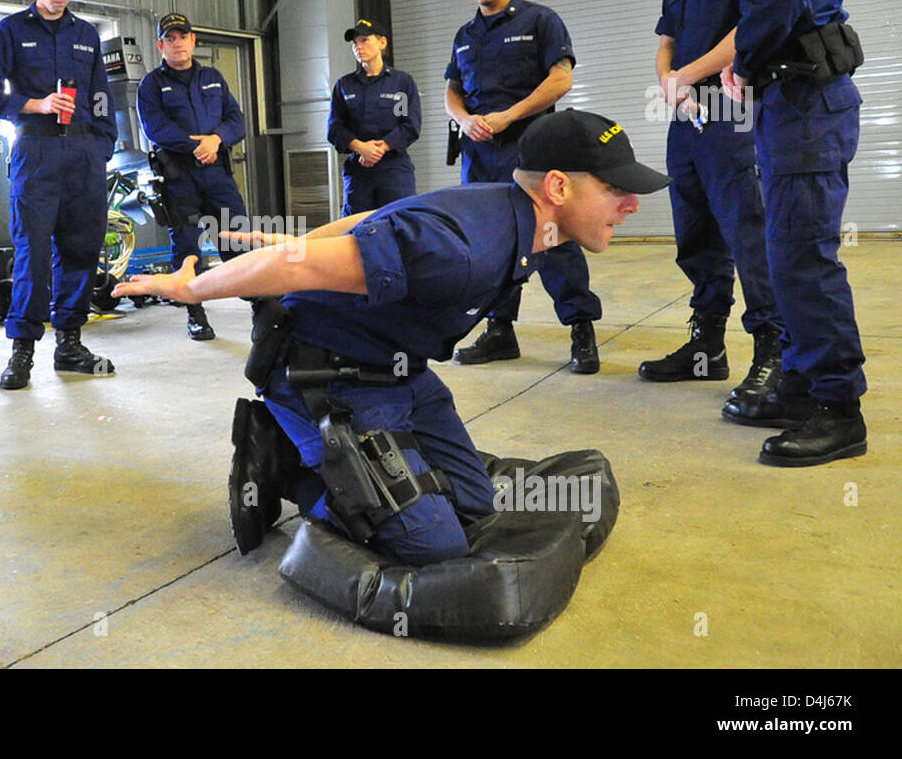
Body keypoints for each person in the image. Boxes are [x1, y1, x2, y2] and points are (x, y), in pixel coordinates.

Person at [114, 109, 670, 565]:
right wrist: (195, 290)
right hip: (323, 372)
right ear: (556, 187)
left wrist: (287, 240)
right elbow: (299, 268)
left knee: (476, 504)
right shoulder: (465, 249)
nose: (632, 204)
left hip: (400, 369)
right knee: (432, 545)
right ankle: (285, 462)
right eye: (615, 188)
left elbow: (380, 214)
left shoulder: (513, 216)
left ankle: (346, 457)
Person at [718, 0, 868, 466]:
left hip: (808, 98)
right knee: (786, 252)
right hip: (791, 99)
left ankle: (839, 407)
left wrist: (741, 62)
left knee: (804, 254)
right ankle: (806, 384)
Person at [642, 0, 786, 420]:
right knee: (695, 232)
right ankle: (707, 345)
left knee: (747, 230)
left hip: (731, 109)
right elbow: (666, 40)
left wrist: (687, 78)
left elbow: (752, 24)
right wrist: (669, 82)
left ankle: (774, 350)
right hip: (687, 118)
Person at [443, 0, 602, 374]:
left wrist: (508, 116)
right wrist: (464, 120)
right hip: (479, 153)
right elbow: (452, 91)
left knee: (551, 235)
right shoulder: (465, 35)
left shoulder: (539, 20)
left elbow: (561, 78)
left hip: (532, 146)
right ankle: (499, 330)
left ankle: (581, 329)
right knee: (488, 241)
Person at [0, 0, 116, 389]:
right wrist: (34, 105)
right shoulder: (11, 30)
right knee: (32, 255)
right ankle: (22, 351)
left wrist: (103, 146)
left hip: (83, 157)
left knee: (81, 250)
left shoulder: (87, 35)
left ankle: (69, 344)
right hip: (35, 154)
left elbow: (100, 96)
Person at [135, 12, 250, 340]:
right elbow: (156, 128)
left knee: (237, 236)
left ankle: (260, 304)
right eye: (170, 38)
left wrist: (217, 140)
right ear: (161, 45)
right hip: (178, 176)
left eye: (182, 36)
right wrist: (194, 146)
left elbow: (236, 120)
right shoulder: (152, 84)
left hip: (217, 172)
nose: (177, 43)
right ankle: (195, 313)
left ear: (193, 40)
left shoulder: (213, 76)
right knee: (188, 246)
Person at [326, 18, 421, 215]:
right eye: (354, 43)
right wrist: (361, 148)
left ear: (382, 43)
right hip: (359, 170)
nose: (358, 47)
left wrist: (380, 148)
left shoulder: (400, 83)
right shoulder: (344, 86)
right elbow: (335, 128)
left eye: (364, 40)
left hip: (393, 168)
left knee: (400, 223)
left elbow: (408, 125)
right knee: (356, 228)